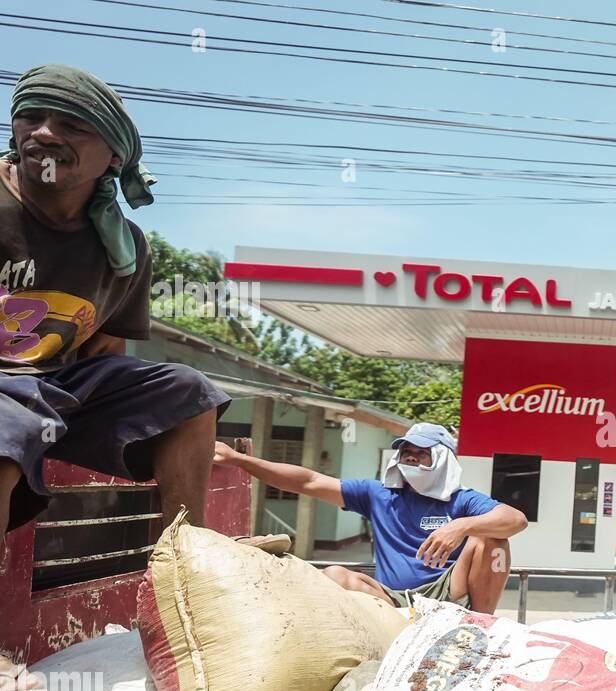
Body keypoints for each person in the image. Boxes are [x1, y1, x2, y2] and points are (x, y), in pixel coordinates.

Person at [0, 65, 229, 550]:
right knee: (7, 419)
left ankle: (187, 559)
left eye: (72, 125)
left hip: (50, 392)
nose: (43, 133)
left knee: (189, 392)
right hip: (8, 404)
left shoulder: (124, 247)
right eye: (31, 117)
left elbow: (103, 354)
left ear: (112, 158)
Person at [213, 423, 528, 612]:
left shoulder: (462, 500)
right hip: (391, 599)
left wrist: (461, 526)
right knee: (335, 574)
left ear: (443, 459)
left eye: (421, 452)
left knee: (492, 539)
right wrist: (238, 459)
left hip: (449, 594)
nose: (410, 456)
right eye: (405, 450)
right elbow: (308, 481)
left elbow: (515, 519)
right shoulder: (377, 494)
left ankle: (481, 627)